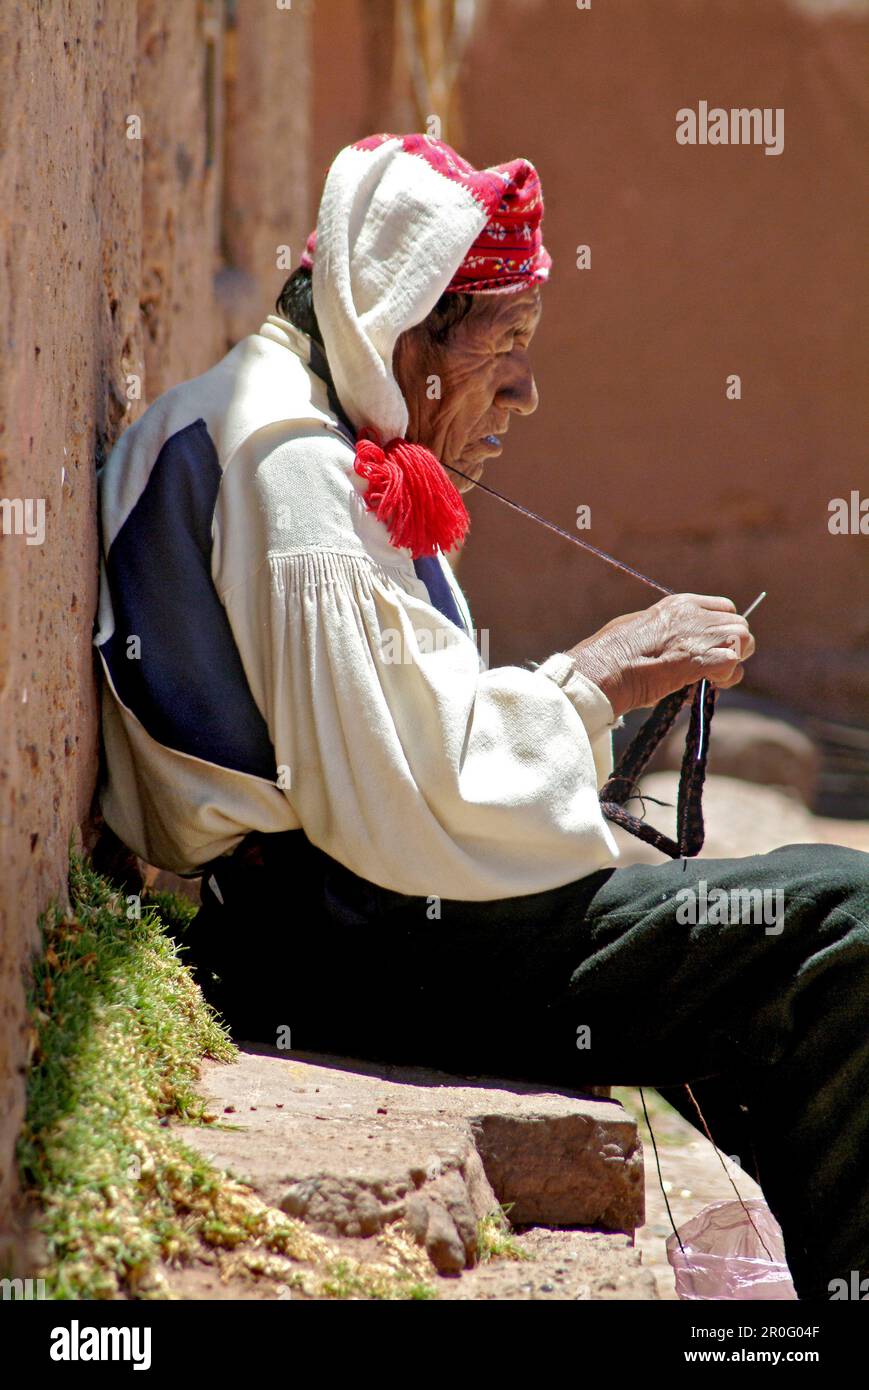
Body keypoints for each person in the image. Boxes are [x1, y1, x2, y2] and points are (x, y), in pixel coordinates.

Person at [94, 133, 869, 1300]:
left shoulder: (274, 419)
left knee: (761, 947)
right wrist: (596, 678)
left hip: (347, 911)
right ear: (408, 334)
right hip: (339, 940)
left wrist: (588, 697)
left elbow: (397, 756)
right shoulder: (292, 470)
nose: (526, 390)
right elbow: (401, 816)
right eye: (503, 348)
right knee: (836, 925)